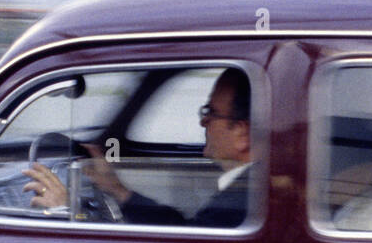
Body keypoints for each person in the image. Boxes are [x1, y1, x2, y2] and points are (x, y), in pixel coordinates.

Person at [21, 68, 252, 227]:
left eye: (211, 113)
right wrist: (117, 189)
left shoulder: (243, 197)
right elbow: (186, 231)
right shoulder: (250, 187)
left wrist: (65, 209)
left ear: (242, 132)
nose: (203, 122)